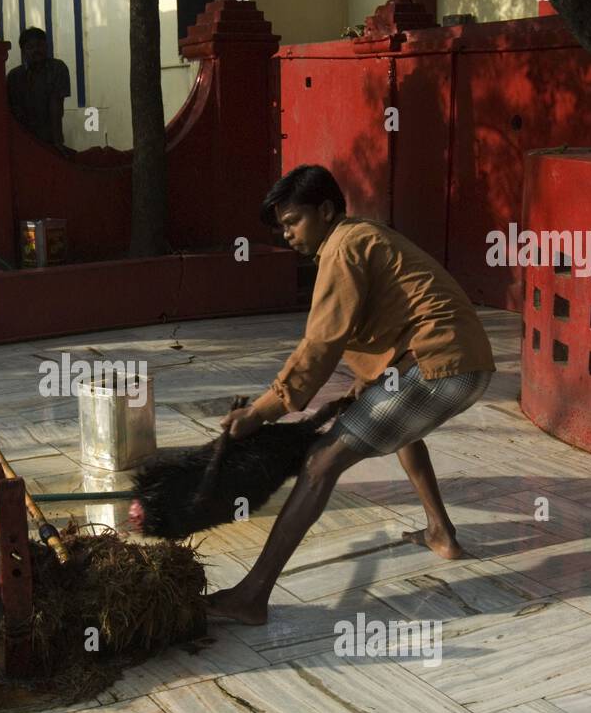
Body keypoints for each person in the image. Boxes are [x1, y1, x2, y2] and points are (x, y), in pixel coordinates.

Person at [206, 165, 496, 626]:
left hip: (436, 364)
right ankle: (440, 532)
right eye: (280, 227)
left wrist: (262, 412)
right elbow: (393, 313)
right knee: (399, 429)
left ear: (325, 210)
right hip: (463, 363)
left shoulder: (342, 247)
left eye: (292, 222)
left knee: (321, 462)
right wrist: (369, 380)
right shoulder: (362, 237)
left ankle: (251, 595)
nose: (286, 235)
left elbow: (321, 345)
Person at [6, 27, 70, 147]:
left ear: (47, 46)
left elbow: (56, 106)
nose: (36, 50)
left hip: (49, 138)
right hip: (22, 140)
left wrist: (57, 142)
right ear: (23, 51)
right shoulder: (14, 76)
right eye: (30, 47)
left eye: (40, 45)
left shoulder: (57, 68)